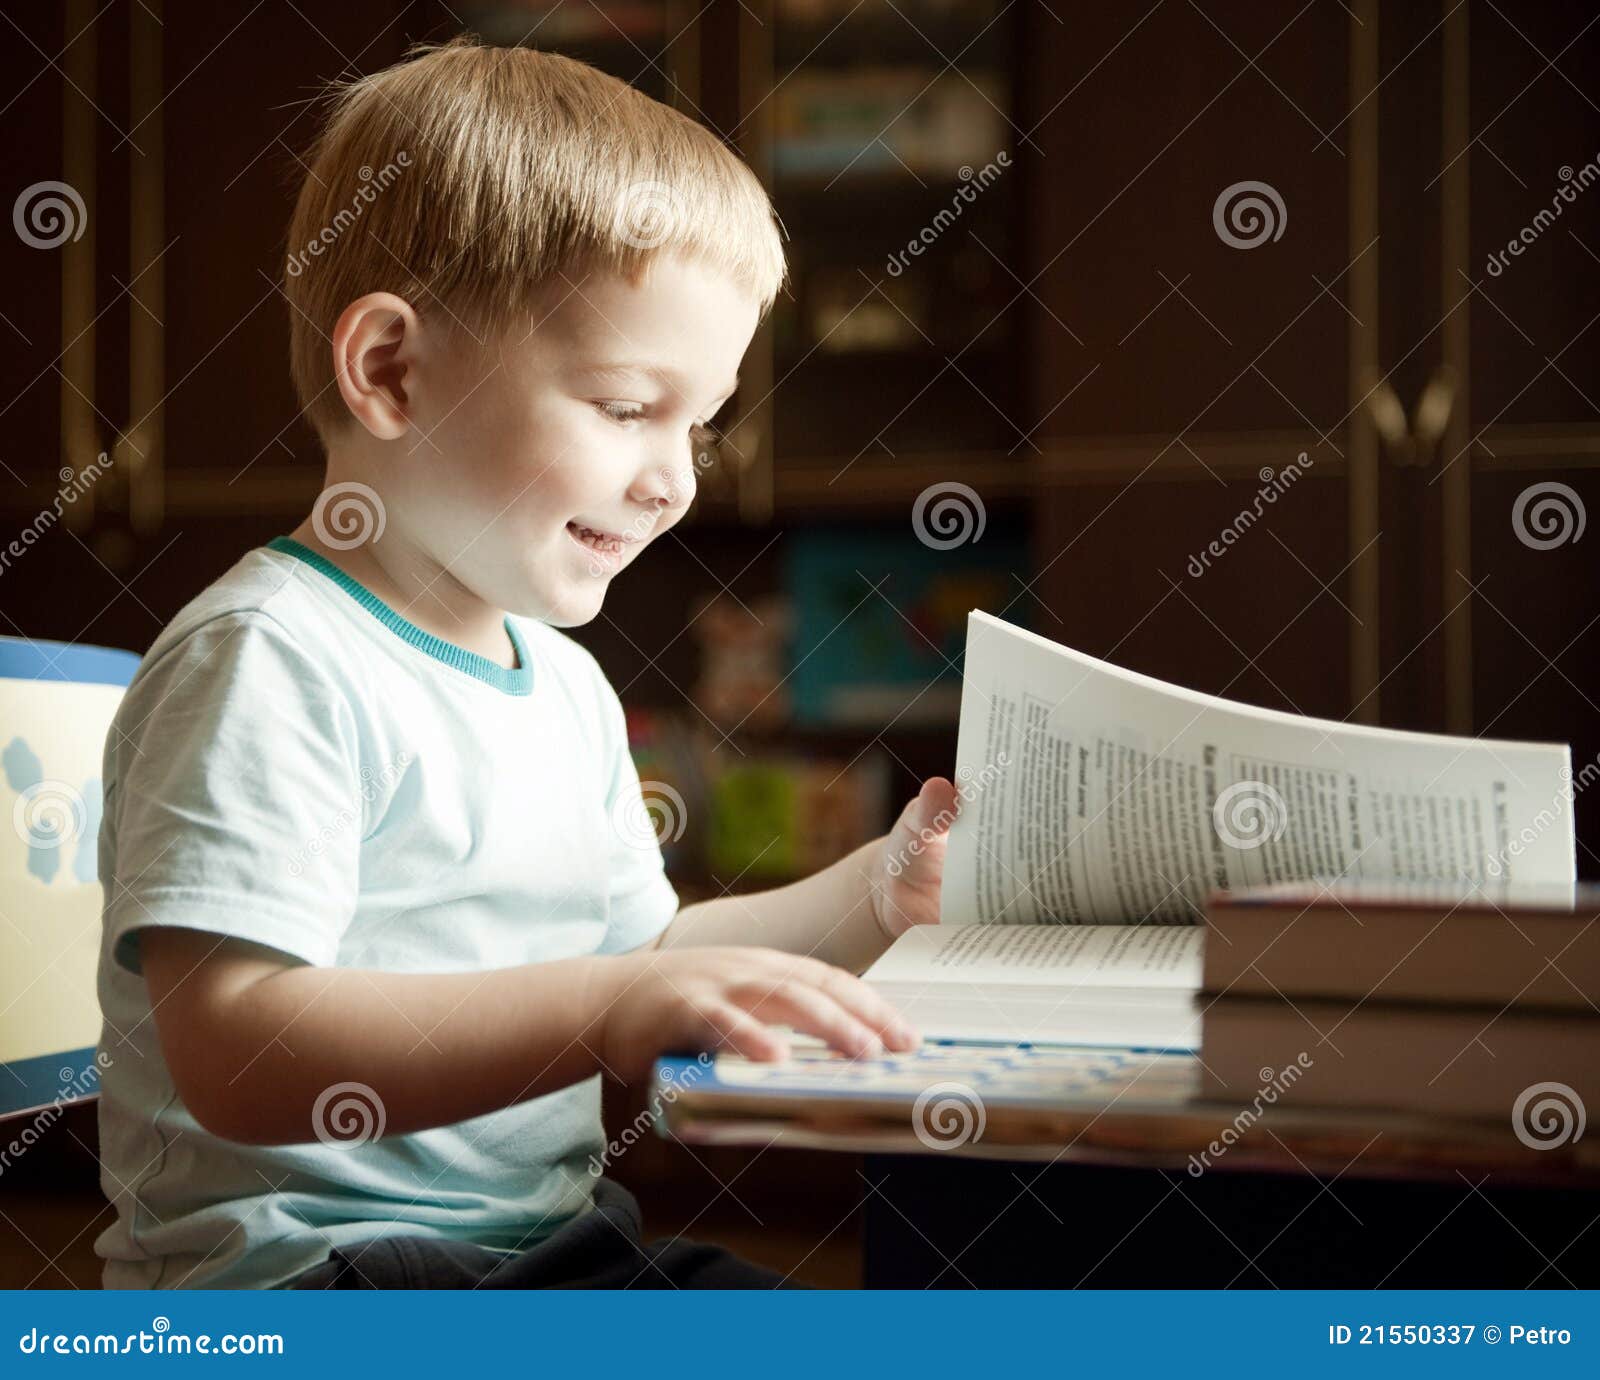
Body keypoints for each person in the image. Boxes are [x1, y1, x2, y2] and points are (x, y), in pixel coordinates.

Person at [93, 35, 957, 1291]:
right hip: (318, 1284)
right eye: (626, 408)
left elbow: (647, 958)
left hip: (545, 1253)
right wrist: (603, 1012)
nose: (673, 481)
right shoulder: (270, 662)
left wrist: (875, 894)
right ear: (390, 372)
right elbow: (237, 1052)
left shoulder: (557, 682)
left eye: (699, 425)